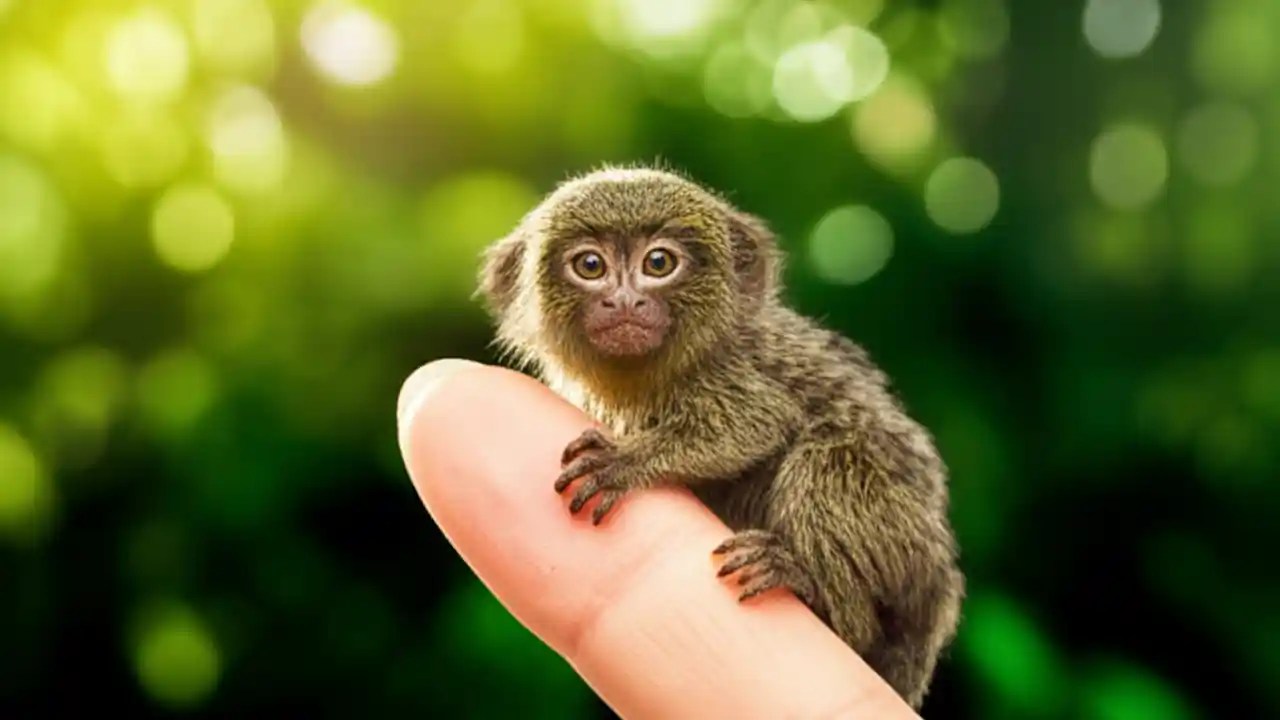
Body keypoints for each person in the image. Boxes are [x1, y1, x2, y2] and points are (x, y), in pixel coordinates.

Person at [396, 359, 922, 719]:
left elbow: (751, 427)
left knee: (823, 462)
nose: (623, 298)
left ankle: (833, 598)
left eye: (658, 263)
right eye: (590, 267)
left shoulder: (728, 360)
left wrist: (635, 461)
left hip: (865, 540)